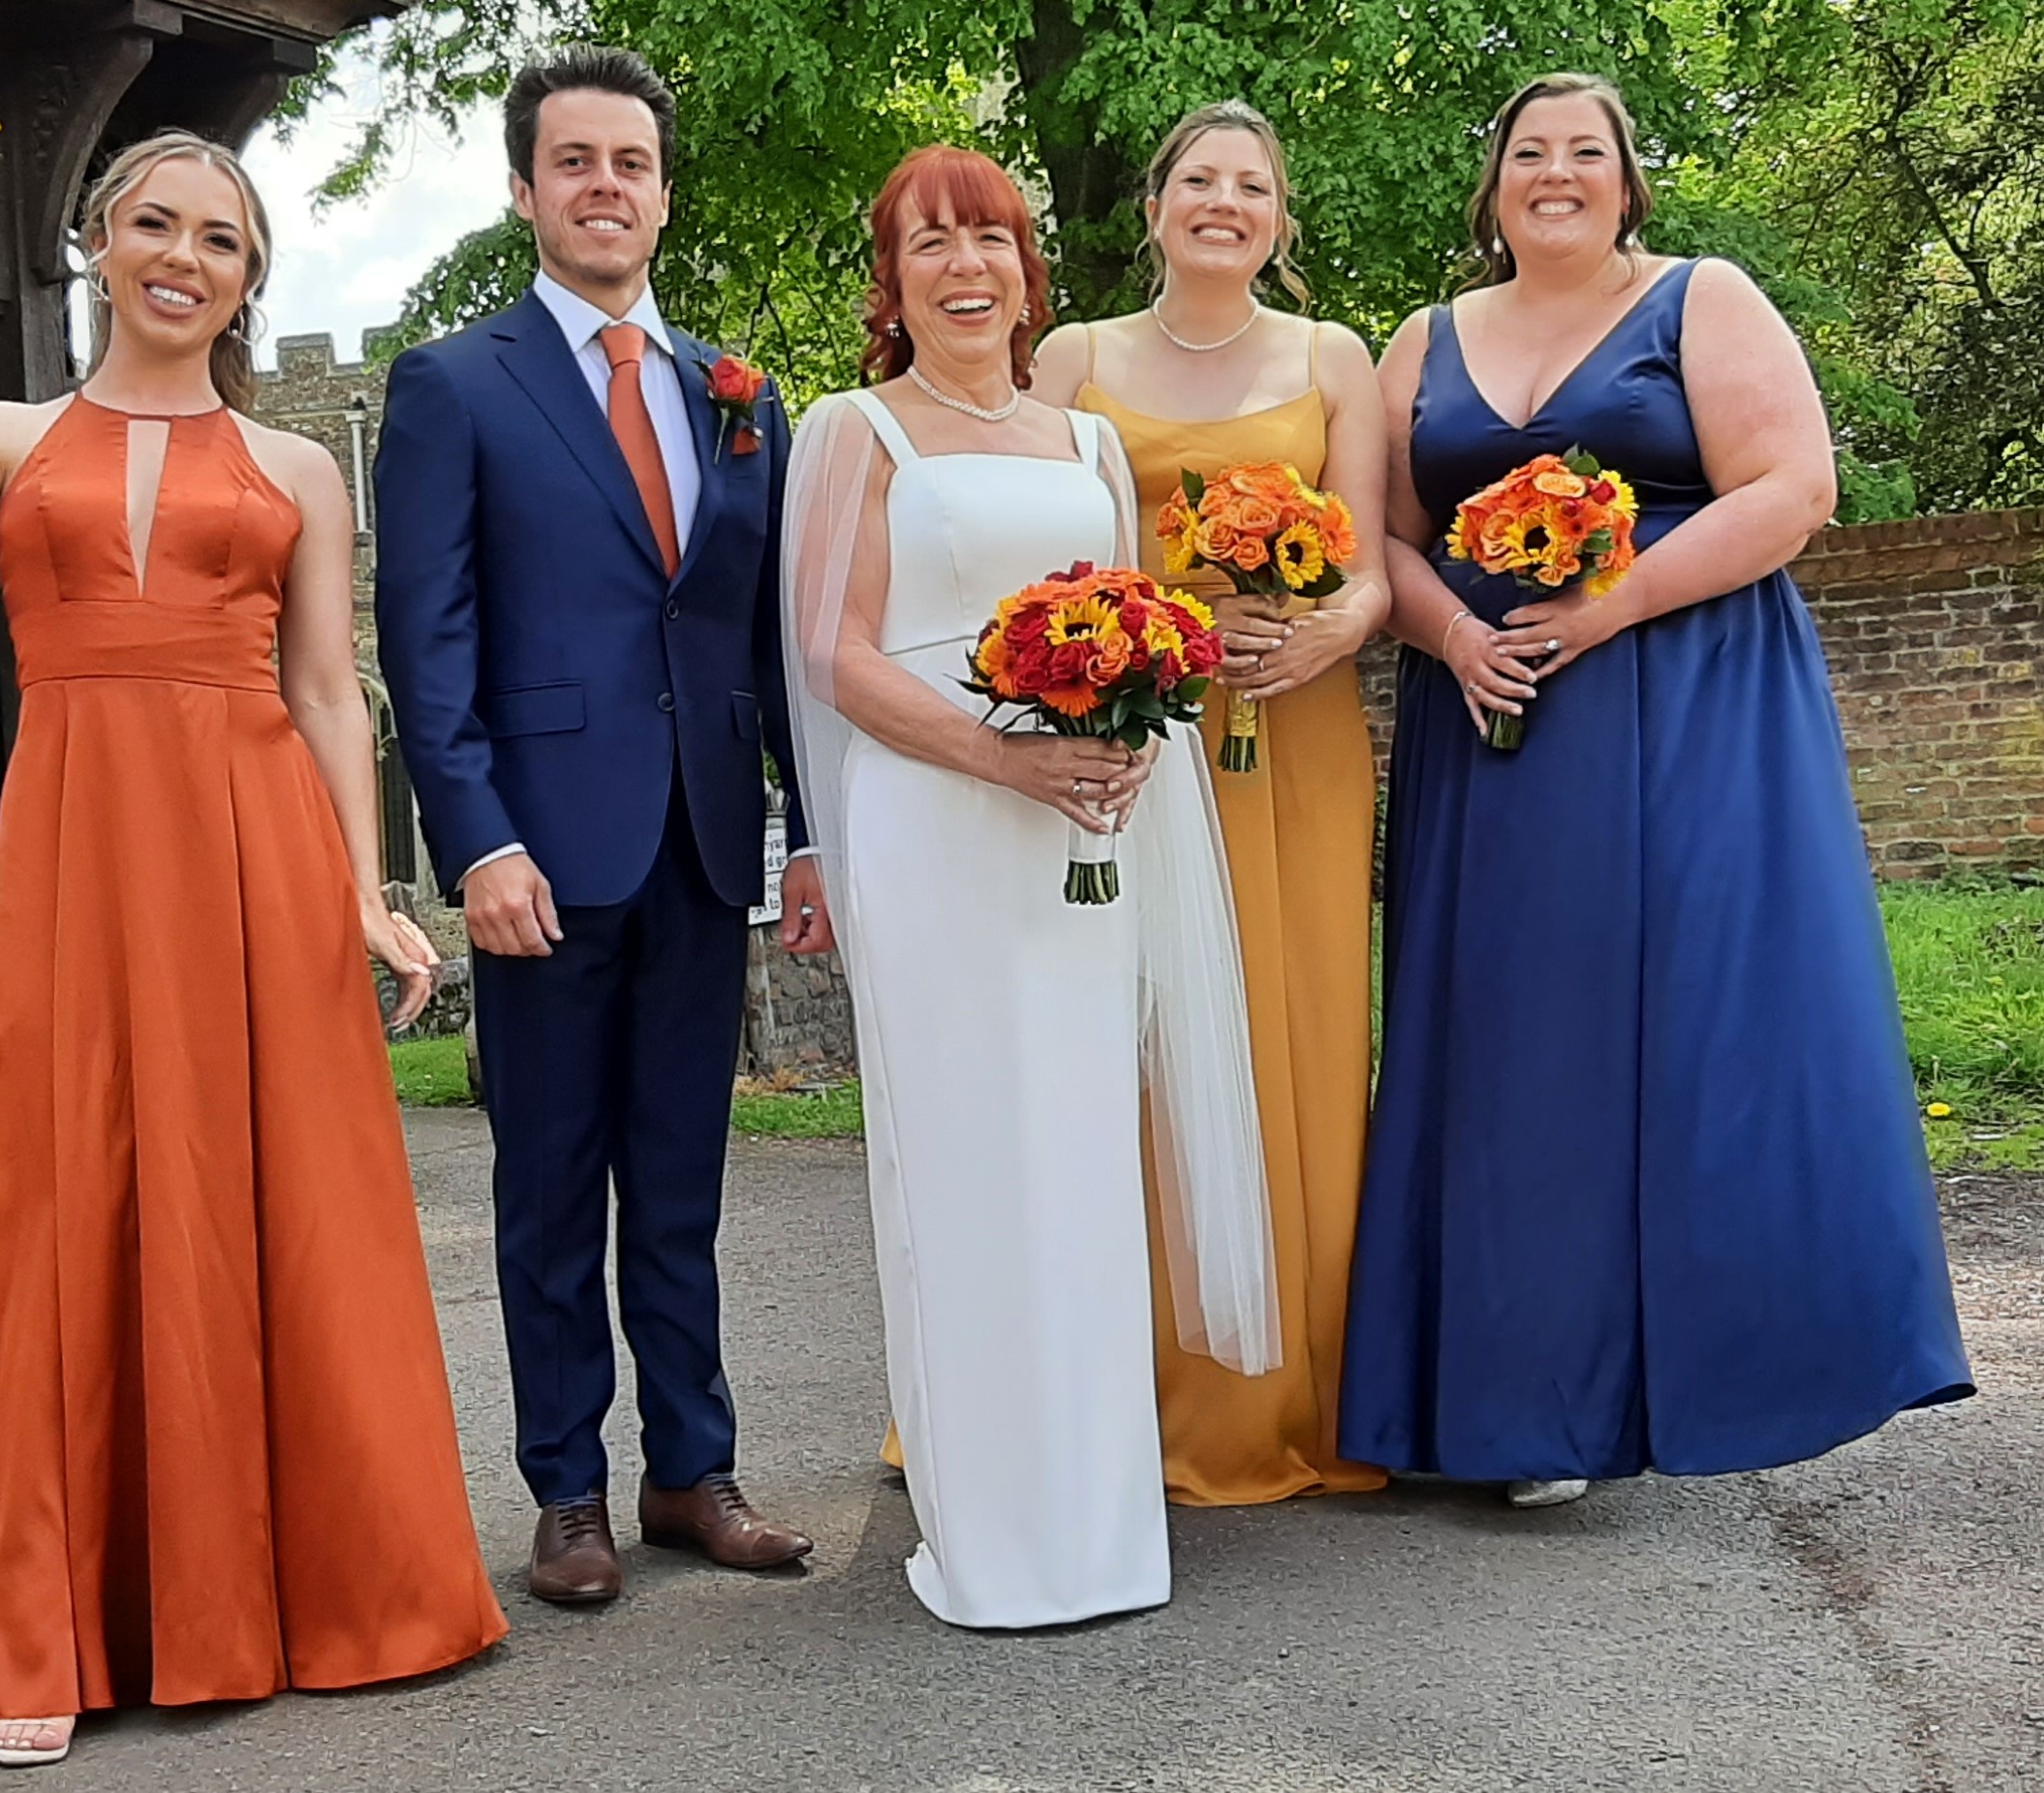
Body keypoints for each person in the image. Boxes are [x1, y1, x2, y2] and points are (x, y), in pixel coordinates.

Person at [0, 132, 505, 1768]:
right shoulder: (0, 433)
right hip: (74, 843)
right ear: (97, 241)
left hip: (255, 847)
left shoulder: (296, 471)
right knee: (57, 1199)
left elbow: (330, 693)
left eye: (220, 237)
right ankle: (39, 1625)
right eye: (153, 224)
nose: (183, 256)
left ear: (249, 276)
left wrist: (364, 891)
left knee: (262, 1199)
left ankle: (300, 1597)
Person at [1342, 75, 1972, 1509]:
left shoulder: (1704, 297)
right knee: (1508, 1042)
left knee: (1693, 1030)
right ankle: (1514, 1399)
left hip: (1683, 703)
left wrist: (1605, 606)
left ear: (1629, 183)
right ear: (1492, 186)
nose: (1554, 174)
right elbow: (1383, 534)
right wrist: (1453, 636)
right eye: (1526, 153)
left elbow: (1790, 489)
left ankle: (1708, 1363)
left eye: (1586, 154)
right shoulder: (1423, 340)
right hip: (1490, 713)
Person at [780, 143, 1280, 1629]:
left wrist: (1125, 753)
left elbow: (1144, 634)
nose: (964, 269)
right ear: (895, 277)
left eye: (987, 241)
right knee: (965, 1162)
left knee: (1077, 1161)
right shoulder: (855, 432)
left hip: (1085, 840)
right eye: (928, 243)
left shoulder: (1090, 447)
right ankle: (990, 1531)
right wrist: (1005, 763)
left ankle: (1101, 1524)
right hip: (938, 824)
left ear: (1025, 267)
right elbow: (838, 654)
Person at [372, 46, 829, 1608]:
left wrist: (809, 829)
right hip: (541, 860)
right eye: (574, 162)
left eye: (630, 163)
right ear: (525, 191)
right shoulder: (454, 386)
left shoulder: (736, 394)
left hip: (705, 837)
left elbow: (760, 635)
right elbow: (425, 641)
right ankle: (565, 1490)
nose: (605, 187)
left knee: (683, 1183)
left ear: (660, 191)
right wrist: (477, 844)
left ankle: (692, 1472)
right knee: (553, 1187)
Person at [1032, 101, 1392, 1508]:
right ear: (1158, 203)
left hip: (1294, 737)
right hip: (1143, 733)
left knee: (1293, 1030)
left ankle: (1299, 1383)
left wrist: (1321, 632)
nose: (1224, 202)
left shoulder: (1334, 358)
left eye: (1253, 185)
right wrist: (1145, 645)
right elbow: (1042, 546)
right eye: (1200, 179)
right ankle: (1125, 1383)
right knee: (1135, 1045)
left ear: (1279, 220)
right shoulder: (1076, 358)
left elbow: (1371, 564)